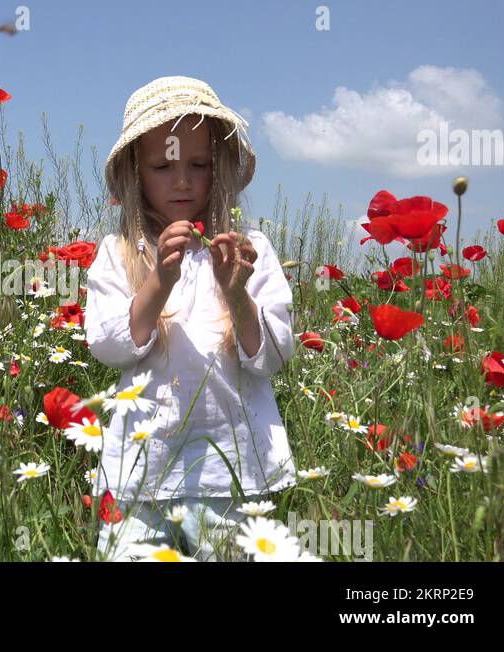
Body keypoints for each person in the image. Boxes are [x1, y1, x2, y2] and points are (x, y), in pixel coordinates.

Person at [86, 76, 297, 561]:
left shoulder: (250, 251)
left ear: (219, 168)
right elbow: (109, 343)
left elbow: (272, 356)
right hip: (140, 476)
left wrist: (236, 294)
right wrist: (158, 280)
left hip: (230, 474)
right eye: (163, 166)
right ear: (135, 173)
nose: (182, 180)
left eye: (198, 164)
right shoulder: (119, 255)